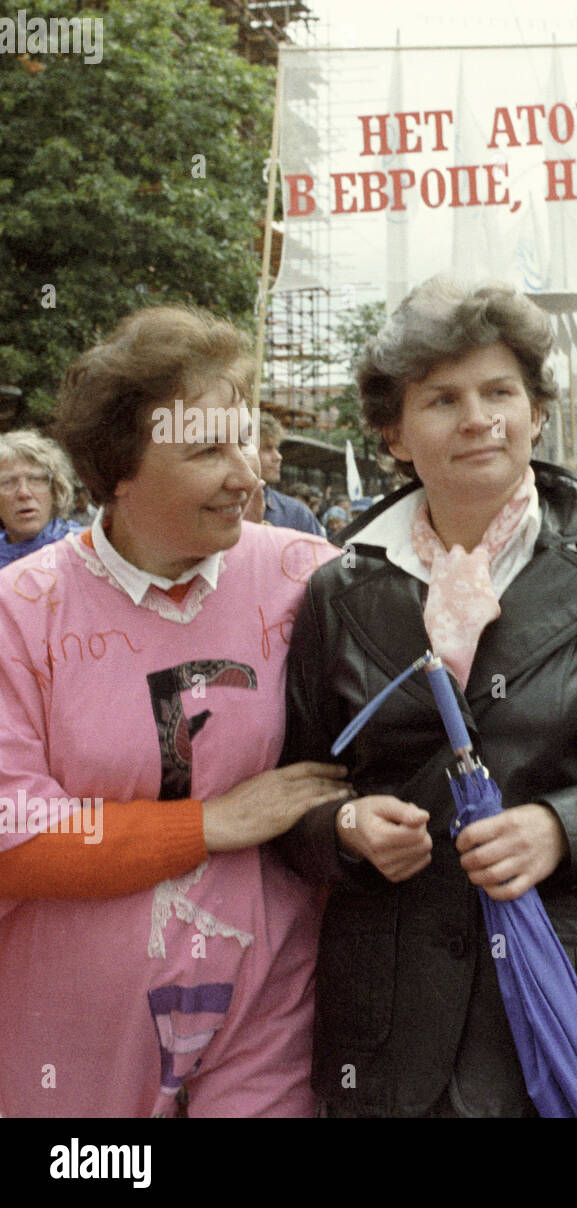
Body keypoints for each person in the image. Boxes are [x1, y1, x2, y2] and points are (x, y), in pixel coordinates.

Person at [274, 277, 577, 1118]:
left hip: (564, 1002)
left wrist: (562, 828)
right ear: (394, 432)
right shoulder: (338, 590)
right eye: (443, 399)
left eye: (499, 392)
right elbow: (298, 794)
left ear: (534, 411)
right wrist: (344, 830)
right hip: (391, 1021)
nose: (478, 417)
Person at [0, 307, 355, 1117]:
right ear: (117, 470)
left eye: (243, 439)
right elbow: (11, 835)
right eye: (206, 451)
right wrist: (211, 825)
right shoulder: (20, 611)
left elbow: (461, 654)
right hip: (64, 1057)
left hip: (264, 1022)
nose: (246, 475)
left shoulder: (308, 574)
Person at [0, 429, 83, 568]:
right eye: (8, 482)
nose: (24, 493)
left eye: (36, 479)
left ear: (55, 490)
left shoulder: (84, 548)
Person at [257, 412, 326, 536]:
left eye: (277, 448)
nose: (278, 457)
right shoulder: (217, 511)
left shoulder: (297, 514)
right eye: (267, 448)